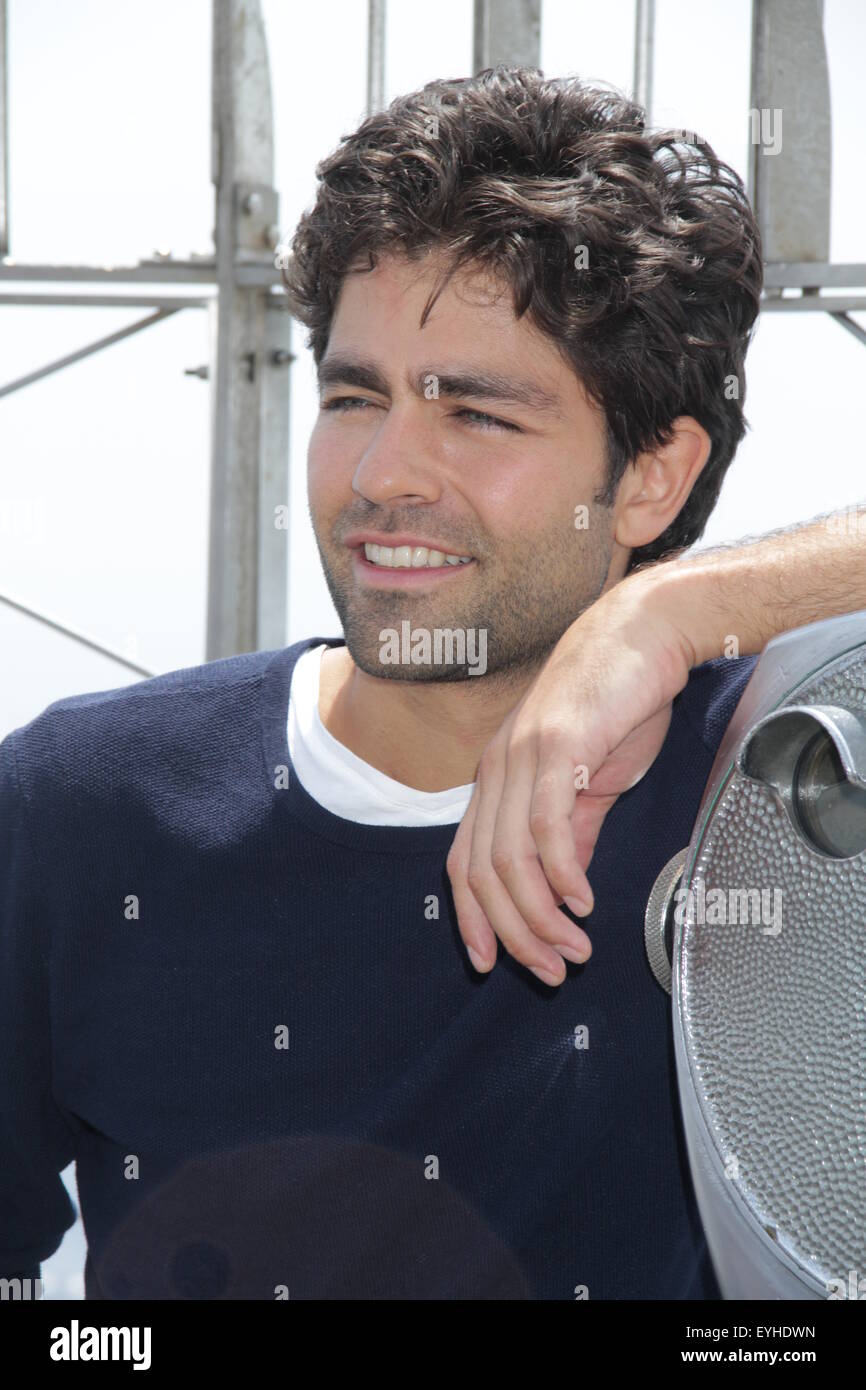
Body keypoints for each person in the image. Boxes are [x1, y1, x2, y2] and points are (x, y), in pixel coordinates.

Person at [1, 66, 864, 1300]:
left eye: (476, 416)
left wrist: (676, 610)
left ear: (650, 480)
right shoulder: (81, 808)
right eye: (354, 396)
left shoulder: (780, 796)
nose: (385, 471)